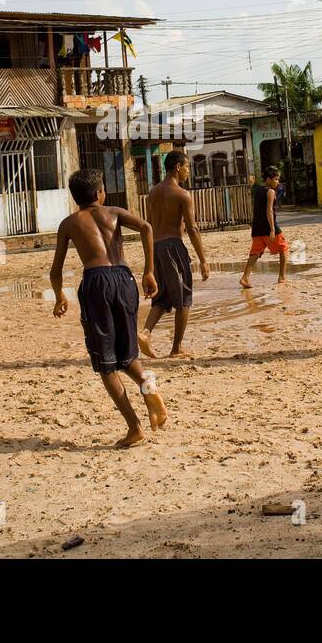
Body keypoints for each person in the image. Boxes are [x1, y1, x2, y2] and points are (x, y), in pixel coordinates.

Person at [51, 169, 168, 447]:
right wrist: (149, 272)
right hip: (124, 278)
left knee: (106, 365)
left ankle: (135, 427)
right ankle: (149, 387)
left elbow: (55, 270)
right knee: (127, 355)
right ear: (100, 193)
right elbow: (147, 228)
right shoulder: (113, 212)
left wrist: (59, 296)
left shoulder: (69, 223)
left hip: (96, 282)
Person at [140, 150, 210, 359]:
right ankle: (176, 347)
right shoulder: (182, 194)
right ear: (178, 167)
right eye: (187, 167)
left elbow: (149, 227)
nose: (188, 171)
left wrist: (149, 264)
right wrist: (203, 259)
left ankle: (145, 333)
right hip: (173, 247)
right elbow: (192, 228)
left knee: (163, 297)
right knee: (184, 298)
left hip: (157, 246)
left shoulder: (153, 193)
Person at [240, 166, 288, 288]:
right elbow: (269, 211)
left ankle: (245, 278)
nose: (278, 182)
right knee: (284, 249)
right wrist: (272, 229)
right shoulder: (270, 191)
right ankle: (282, 277)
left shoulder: (258, 190)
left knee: (255, 253)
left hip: (256, 227)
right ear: (268, 179)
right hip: (267, 226)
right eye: (276, 179)